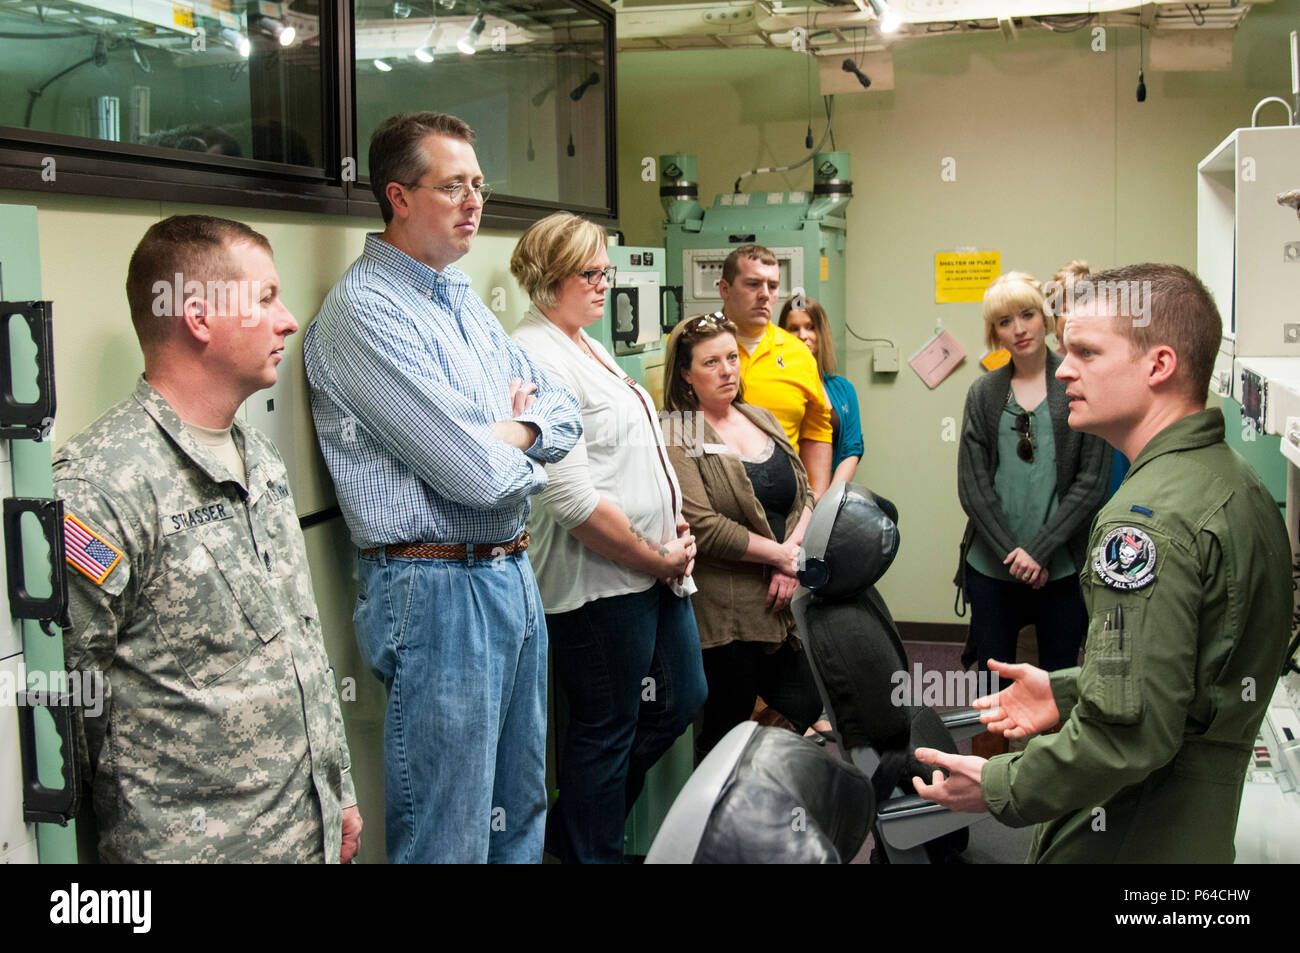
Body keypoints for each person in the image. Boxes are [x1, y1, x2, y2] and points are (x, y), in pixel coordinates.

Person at [916, 263, 1294, 862]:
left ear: (1158, 365)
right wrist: (1066, 692)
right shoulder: (1232, 479)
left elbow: (1129, 735)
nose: (1064, 370)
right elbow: (1185, 681)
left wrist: (996, 785)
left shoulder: (1145, 523)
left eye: (1087, 353)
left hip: (1133, 828)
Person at [303, 112, 581, 863]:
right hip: (434, 586)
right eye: (452, 185)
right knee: (450, 831)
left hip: (507, 570)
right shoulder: (364, 311)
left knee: (520, 806)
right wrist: (513, 440)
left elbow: (562, 411)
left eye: (479, 185)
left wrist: (512, 432)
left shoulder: (459, 298)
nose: (473, 202)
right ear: (397, 195)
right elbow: (477, 475)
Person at [54, 214, 361, 863]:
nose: (287, 319)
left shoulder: (260, 459)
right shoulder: (101, 488)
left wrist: (340, 792)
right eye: (265, 297)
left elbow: (304, 641)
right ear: (198, 317)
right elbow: (66, 707)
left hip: (306, 832)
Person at [508, 212, 708, 863]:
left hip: (653, 567)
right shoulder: (535, 353)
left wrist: (671, 521)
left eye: (605, 270)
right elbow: (573, 501)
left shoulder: (587, 341)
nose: (604, 283)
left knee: (682, 698)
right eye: (590, 273)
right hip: (599, 584)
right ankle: (586, 849)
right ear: (549, 276)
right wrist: (657, 553)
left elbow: (631, 455)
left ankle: (570, 839)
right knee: (606, 730)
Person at [955, 272, 1110, 759]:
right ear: (994, 333)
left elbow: (1091, 483)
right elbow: (973, 486)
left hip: (1060, 565)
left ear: (1045, 318)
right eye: (1005, 321)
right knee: (991, 675)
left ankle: (1055, 775)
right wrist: (1012, 553)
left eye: (1027, 314)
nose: (1019, 328)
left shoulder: (1078, 382)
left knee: (1059, 675)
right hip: (992, 564)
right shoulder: (983, 394)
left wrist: (1039, 551)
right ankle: (987, 775)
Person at [663, 313, 822, 758]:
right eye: (710, 362)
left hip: (779, 601)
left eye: (731, 357)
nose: (727, 370)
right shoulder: (677, 432)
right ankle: (713, 822)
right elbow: (704, 525)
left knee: (807, 702)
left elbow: (806, 493)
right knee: (724, 730)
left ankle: (759, 792)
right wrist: (782, 558)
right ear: (686, 374)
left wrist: (790, 557)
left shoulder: (761, 416)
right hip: (724, 611)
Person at [716, 245, 833, 499]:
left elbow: (817, 432)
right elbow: (676, 427)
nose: (765, 295)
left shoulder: (798, 354)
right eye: (753, 284)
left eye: (773, 286)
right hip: (714, 507)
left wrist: (815, 505)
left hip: (782, 506)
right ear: (725, 289)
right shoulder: (696, 345)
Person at [778, 296, 863, 486]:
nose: (803, 335)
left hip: (831, 494)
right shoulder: (775, 387)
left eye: (810, 327)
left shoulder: (843, 390)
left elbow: (852, 449)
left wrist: (830, 501)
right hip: (786, 495)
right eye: (793, 328)